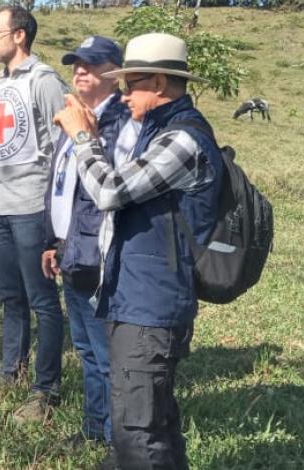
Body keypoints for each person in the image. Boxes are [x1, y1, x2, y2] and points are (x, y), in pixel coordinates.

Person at [53, 33, 223, 470]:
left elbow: (109, 191)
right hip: (136, 295)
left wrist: (83, 138)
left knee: (137, 429)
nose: (125, 94)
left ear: (161, 83)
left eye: (133, 84)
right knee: (156, 423)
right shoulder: (158, 132)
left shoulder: (182, 140)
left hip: (152, 304)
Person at [41, 36, 132, 449]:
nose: (80, 70)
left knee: (105, 352)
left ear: (115, 72)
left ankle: (116, 441)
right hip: (71, 249)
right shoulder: (76, 115)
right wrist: (53, 242)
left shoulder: (122, 121)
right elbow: (61, 185)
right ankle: (94, 428)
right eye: (76, 63)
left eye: (92, 64)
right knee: (86, 349)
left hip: (98, 254)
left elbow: (110, 186)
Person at [0, 5, 69, 420]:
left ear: (19, 35)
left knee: (42, 300)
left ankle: (46, 387)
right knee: (10, 296)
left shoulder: (44, 80)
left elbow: (62, 145)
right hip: (0, 205)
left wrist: (55, 218)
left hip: (33, 207)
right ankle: (10, 371)